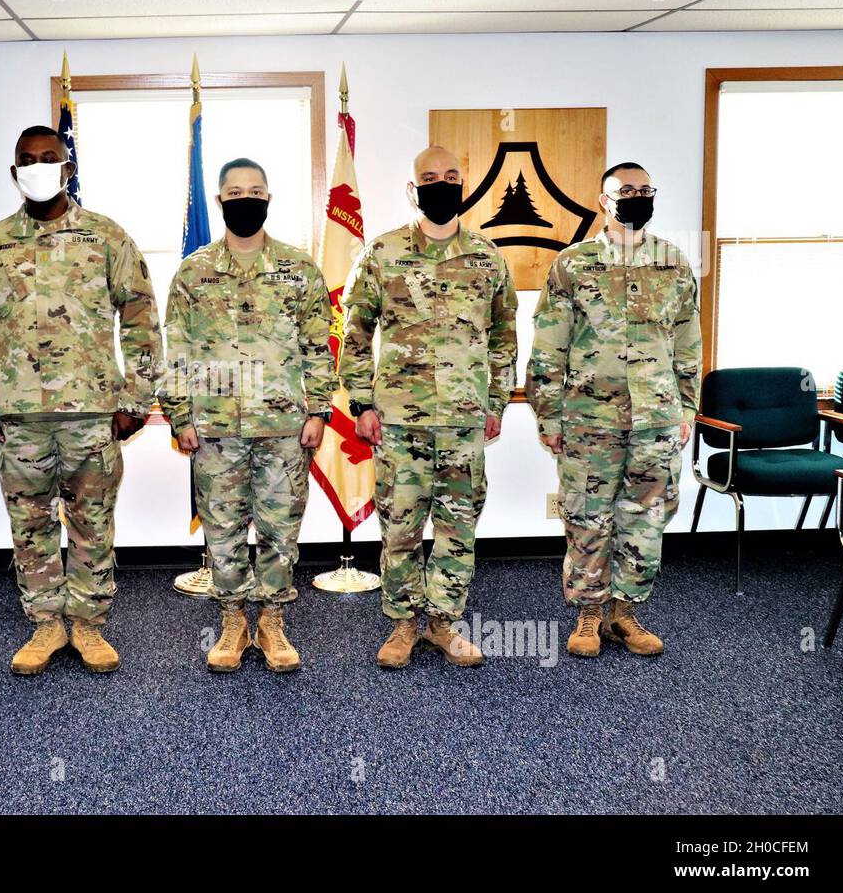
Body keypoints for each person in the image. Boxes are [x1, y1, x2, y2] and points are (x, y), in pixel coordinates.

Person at [0, 126, 162, 675]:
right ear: (13, 171)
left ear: (67, 167)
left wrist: (137, 399)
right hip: (18, 418)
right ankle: (46, 624)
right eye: (28, 159)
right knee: (30, 524)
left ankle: (88, 625)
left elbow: (141, 317)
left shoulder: (106, 237)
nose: (39, 166)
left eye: (50, 158)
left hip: (92, 413)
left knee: (92, 522)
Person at [341, 145, 518, 669]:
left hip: (464, 420)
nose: (442, 183)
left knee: (458, 527)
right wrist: (361, 402)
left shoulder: (487, 257)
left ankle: (442, 624)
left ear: (464, 183)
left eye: (452, 175)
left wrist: (497, 401)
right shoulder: (382, 252)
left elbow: (505, 336)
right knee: (400, 525)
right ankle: (401, 625)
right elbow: (354, 333)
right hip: (398, 420)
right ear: (412, 189)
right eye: (429, 177)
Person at [160, 158, 335, 672]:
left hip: (283, 426)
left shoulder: (298, 268)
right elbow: (176, 352)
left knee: (281, 530)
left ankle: (273, 622)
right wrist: (179, 416)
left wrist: (320, 408)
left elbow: (318, 346)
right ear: (220, 201)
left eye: (255, 190)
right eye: (235, 191)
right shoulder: (193, 272)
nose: (245, 198)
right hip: (215, 428)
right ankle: (234, 620)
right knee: (224, 528)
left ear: (269, 198)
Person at [527, 162, 701, 657]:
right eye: (626, 190)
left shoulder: (674, 261)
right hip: (588, 419)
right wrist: (549, 415)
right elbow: (548, 347)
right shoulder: (573, 264)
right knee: (587, 516)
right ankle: (587, 616)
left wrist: (687, 407)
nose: (637, 197)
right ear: (604, 199)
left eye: (646, 189)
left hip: (657, 417)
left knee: (645, 517)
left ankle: (626, 614)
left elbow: (689, 340)